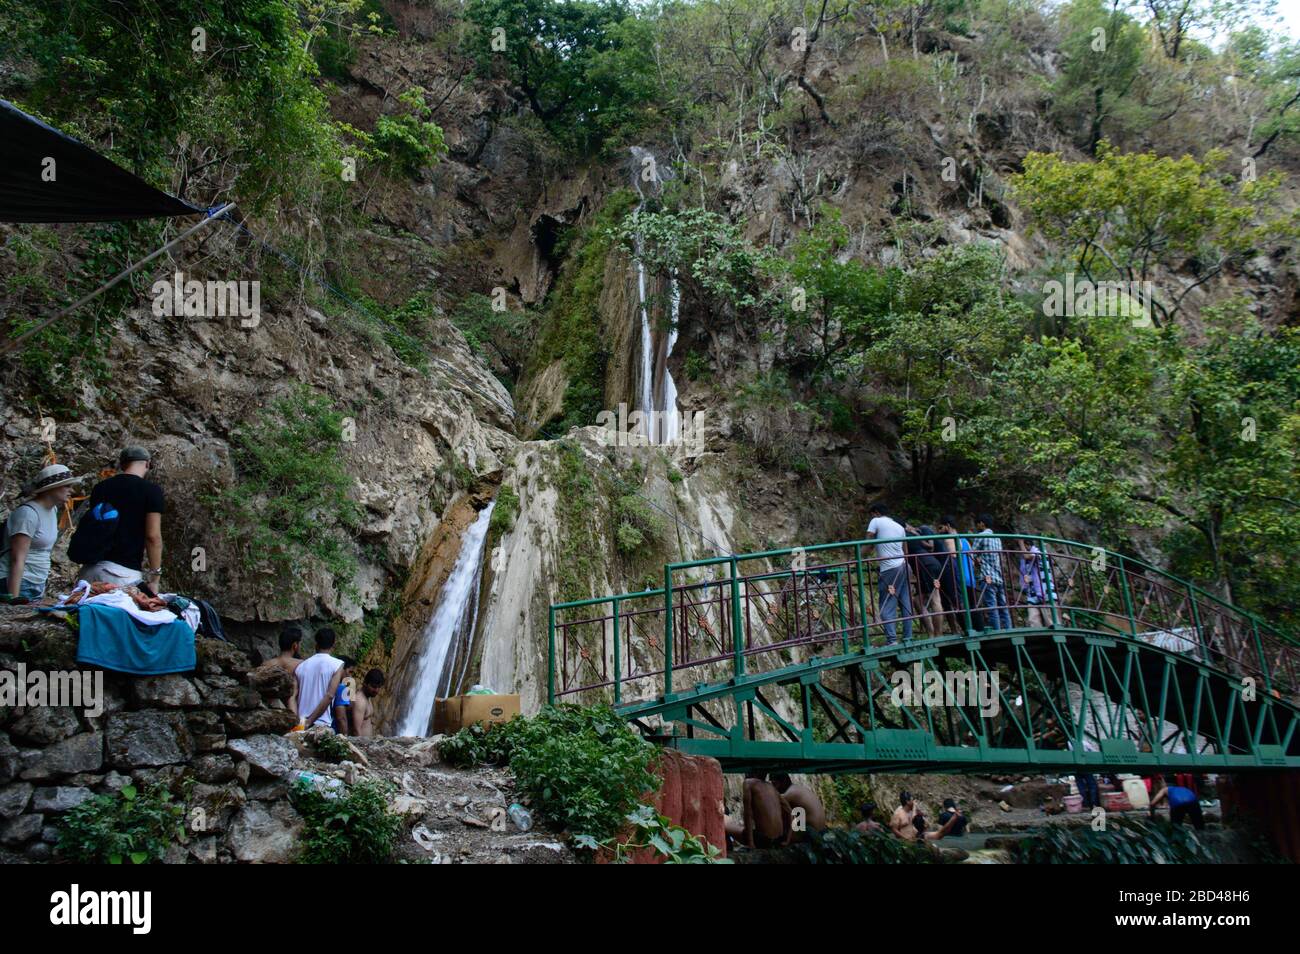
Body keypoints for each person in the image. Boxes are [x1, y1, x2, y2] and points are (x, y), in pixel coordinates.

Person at [74, 447, 164, 594]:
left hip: (89, 571)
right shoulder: (151, 491)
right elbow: (153, 537)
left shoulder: (100, 488)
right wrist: (154, 579)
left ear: (122, 465)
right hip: (123, 574)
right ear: (147, 464)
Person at [0, 464, 80, 602]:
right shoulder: (27, 514)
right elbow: (17, 559)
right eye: (67, 486)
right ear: (52, 488)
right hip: (20, 582)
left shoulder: (52, 510)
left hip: (36, 581)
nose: (71, 491)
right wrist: (13, 597)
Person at [866, 502, 911, 645]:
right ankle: (908, 637)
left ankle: (892, 640)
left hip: (890, 568)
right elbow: (906, 551)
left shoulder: (876, 521)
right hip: (905, 566)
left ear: (876, 513)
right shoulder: (899, 526)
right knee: (905, 602)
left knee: (886, 604)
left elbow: (868, 543)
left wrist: (857, 557)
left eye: (872, 514)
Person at [296, 627, 345, 730]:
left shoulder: (301, 666)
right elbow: (330, 695)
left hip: (300, 723)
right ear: (333, 644)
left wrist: (301, 722)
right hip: (321, 724)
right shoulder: (337, 665)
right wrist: (309, 721)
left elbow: (293, 697)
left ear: (316, 644)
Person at [970, 513, 1011, 631]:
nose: (977, 526)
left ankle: (997, 632)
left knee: (992, 607)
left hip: (987, 576)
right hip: (998, 577)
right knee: (1003, 607)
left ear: (982, 523)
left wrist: (977, 561)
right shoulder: (997, 538)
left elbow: (972, 554)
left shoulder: (981, 536)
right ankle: (1008, 629)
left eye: (977, 524)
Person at [907, 524, 946, 637]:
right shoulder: (912, 533)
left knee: (934, 598)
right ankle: (931, 632)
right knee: (918, 601)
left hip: (925, 565)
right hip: (929, 564)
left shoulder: (906, 535)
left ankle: (938, 634)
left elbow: (930, 546)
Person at [739, 773, 790, 849]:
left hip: (764, 840)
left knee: (728, 825)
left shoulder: (749, 782)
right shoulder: (772, 787)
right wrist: (787, 840)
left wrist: (751, 843)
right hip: (779, 839)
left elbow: (748, 814)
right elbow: (790, 812)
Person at [771, 772, 826, 841]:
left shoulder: (789, 794)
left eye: (774, 784)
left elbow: (775, 814)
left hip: (811, 830)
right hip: (820, 828)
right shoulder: (796, 788)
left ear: (782, 782)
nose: (773, 787)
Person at [1018, 539, 1054, 628]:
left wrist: (1021, 542)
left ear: (1027, 545)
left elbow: (1029, 556)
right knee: (1033, 622)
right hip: (1032, 594)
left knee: (1050, 623)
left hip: (1045, 592)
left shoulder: (1039, 552)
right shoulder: (1024, 560)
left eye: (1023, 547)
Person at [268, 626, 304, 714]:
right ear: (295, 645)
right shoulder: (302, 664)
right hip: (296, 709)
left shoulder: (267, 664)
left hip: (271, 709)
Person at [351, 668, 385, 737]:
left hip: (366, 744)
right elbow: (356, 730)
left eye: (379, 687)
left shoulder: (367, 696)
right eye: (374, 687)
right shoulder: (360, 701)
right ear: (365, 683)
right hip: (360, 744)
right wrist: (360, 747)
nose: (376, 690)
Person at [331, 656, 356, 735]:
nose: (351, 676)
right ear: (342, 669)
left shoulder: (329, 683)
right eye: (350, 672)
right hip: (334, 731)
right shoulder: (341, 688)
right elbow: (341, 718)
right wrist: (345, 738)